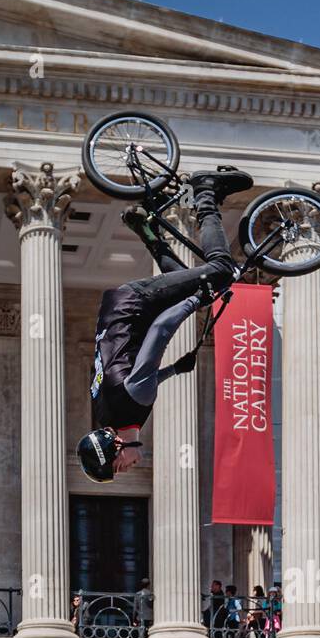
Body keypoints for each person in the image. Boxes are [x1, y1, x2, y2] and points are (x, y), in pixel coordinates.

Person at [76, 167, 253, 483]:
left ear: (116, 446)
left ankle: (206, 192)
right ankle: (145, 230)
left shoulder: (133, 402)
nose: (126, 469)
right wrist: (175, 369)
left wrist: (197, 302)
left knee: (220, 271)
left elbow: (160, 330)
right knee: (191, 280)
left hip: (137, 305)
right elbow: (141, 375)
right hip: (121, 309)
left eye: (118, 466)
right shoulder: (107, 415)